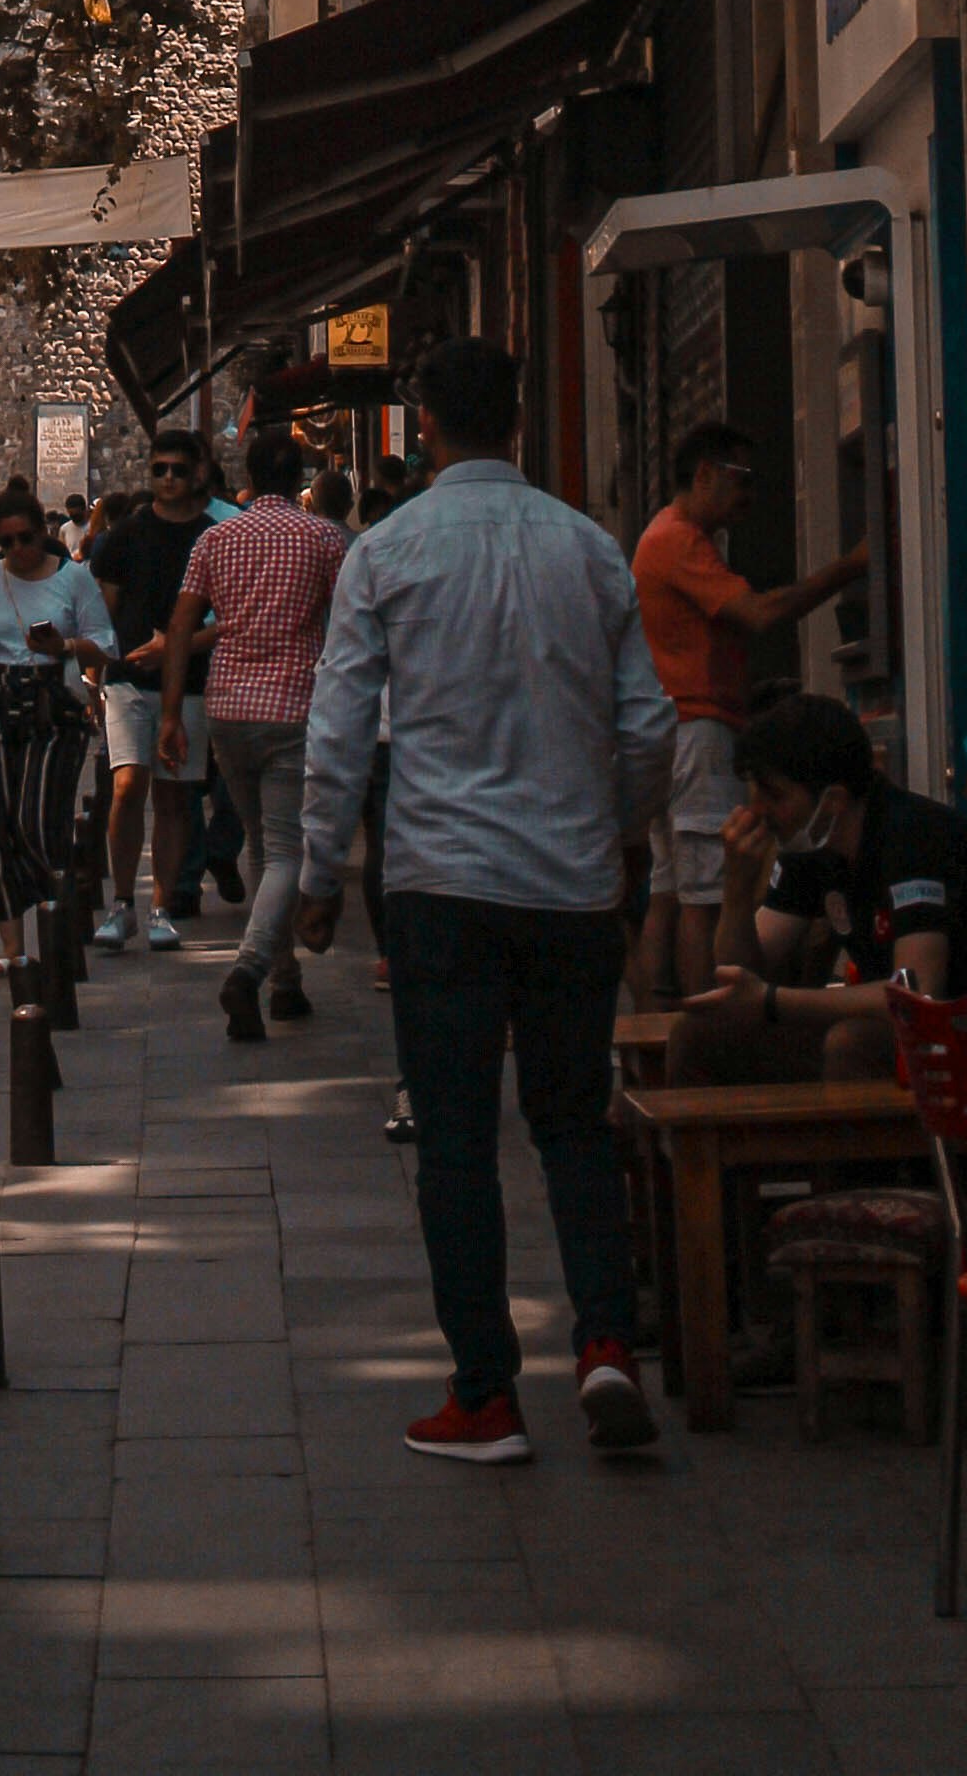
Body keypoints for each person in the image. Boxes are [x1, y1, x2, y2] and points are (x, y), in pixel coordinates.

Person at [296, 335, 674, 1469]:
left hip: (440, 879)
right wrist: (614, 834)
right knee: (572, 1120)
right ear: (516, 417)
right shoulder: (589, 549)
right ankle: (604, 1341)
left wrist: (318, 877)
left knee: (453, 1140)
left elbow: (340, 728)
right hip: (565, 883)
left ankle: (484, 1394)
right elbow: (647, 724)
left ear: (423, 419)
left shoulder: (388, 552)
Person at [692, 688, 967, 1071]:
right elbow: (739, 975)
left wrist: (772, 1001)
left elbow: (917, 991)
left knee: (853, 1044)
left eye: (774, 795)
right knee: (702, 1039)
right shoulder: (811, 847)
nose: (760, 811)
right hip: (923, 1029)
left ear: (834, 799)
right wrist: (737, 887)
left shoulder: (912, 838)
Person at [629, 426, 867, 999]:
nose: (750, 498)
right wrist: (851, 566)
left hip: (672, 732)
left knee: (668, 892)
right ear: (704, 473)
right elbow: (760, 613)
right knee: (705, 900)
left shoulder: (668, 538)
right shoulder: (678, 539)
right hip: (698, 731)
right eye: (742, 481)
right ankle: (704, 1027)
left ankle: (657, 1035)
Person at [162, 423, 348, 1043]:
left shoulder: (218, 539)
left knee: (265, 849)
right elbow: (348, 621)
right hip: (294, 706)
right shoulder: (323, 537)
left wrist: (170, 714)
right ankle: (248, 970)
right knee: (287, 848)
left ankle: (284, 984)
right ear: (299, 479)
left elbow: (183, 626)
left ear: (246, 477)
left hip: (227, 708)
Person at [0, 484, 114, 981]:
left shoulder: (73, 580)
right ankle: (13, 944)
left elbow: (106, 644)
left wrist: (65, 645)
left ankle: (59, 904)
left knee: (35, 821)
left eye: (25, 539)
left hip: (53, 703)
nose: (17, 551)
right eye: (5, 542)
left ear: (43, 532)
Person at [88, 431, 218, 953]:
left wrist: (177, 645)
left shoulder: (212, 537)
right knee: (126, 786)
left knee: (173, 795)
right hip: (128, 679)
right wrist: (97, 677)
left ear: (197, 474)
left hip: (189, 683)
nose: (168, 479)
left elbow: (230, 618)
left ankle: (162, 904)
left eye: (178, 470)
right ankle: (123, 902)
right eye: (159, 469)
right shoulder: (125, 535)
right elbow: (105, 612)